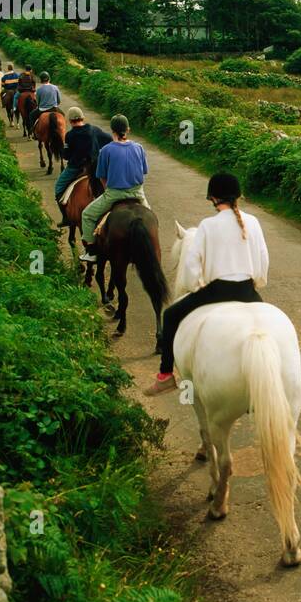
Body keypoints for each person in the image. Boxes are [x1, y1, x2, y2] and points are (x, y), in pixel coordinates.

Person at [146, 172, 268, 396]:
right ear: (237, 196)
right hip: (248, 291)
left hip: (217, 291)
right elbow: (263, 259)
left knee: (170, 315)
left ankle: (165, 375)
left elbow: (192, 264)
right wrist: (256, 283)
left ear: (213, 198)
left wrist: (195, 286)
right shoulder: (254, 222)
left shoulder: (207, 226)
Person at [79, 114, 149, 262]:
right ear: (128, 129)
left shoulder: (106, 150)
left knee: (87, 215)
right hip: (138, 193)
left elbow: (101, 176)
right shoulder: (139, 147)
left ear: (113, 130)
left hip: (114, 194)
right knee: (151, 218)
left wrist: (108, 191)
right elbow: (143, 171)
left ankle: (91, 251)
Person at [55, 107, 111, 202]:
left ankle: (64, 214)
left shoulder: (70, 135)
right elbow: (109, 139)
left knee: (59, 186)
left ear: (70, 121)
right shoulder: (94, 130)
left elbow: (66, 156)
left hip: (76, 167)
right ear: (83, 118)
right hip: (95, 166)